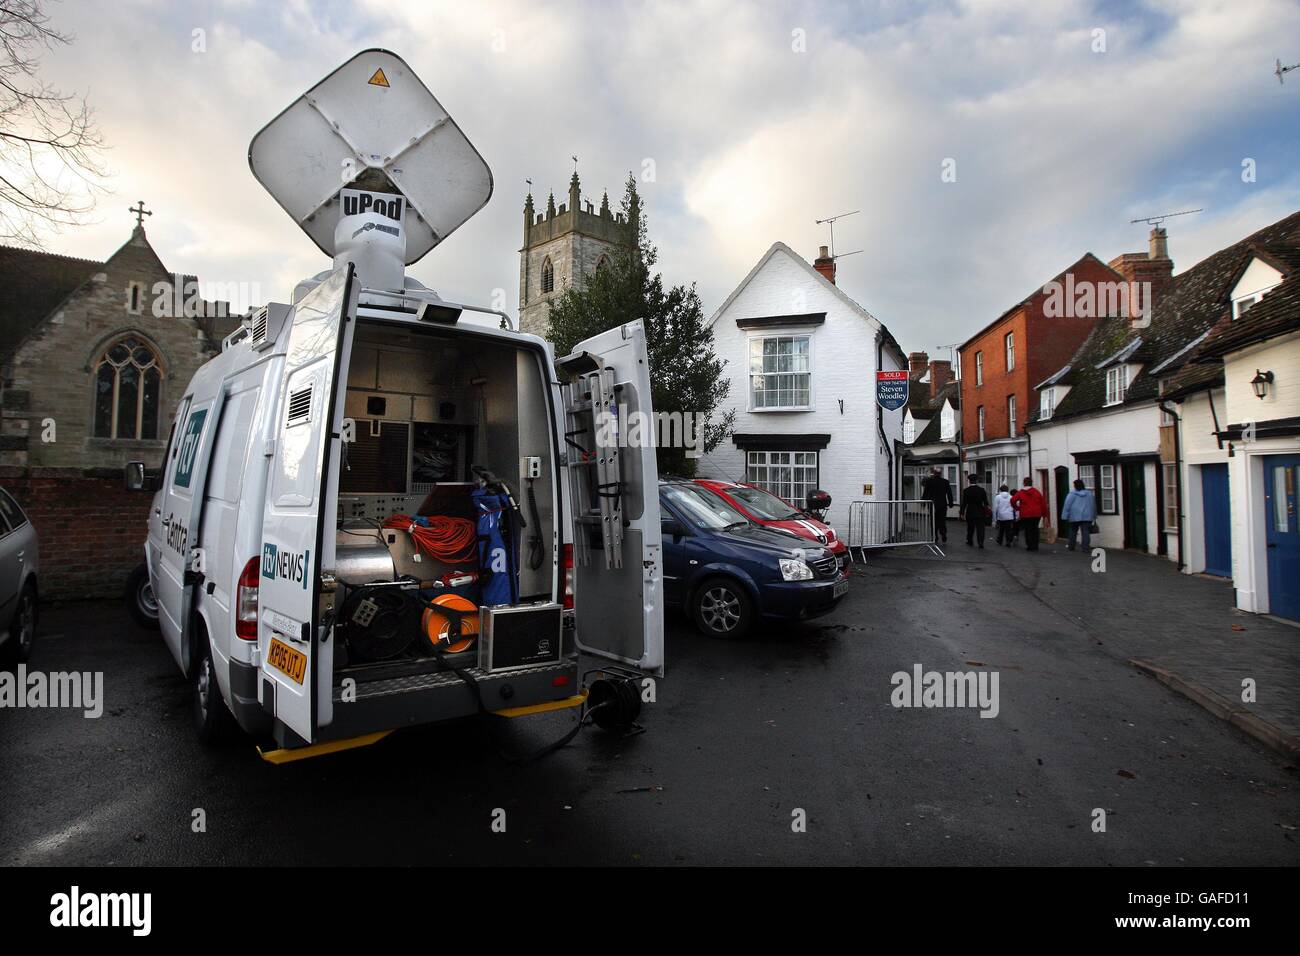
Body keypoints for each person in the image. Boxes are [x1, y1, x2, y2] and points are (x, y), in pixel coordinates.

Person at [1060, 478, 1097, 552]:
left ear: (1075, 486)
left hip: (1074, 516)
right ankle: (1085, 548)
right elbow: (1093, 505)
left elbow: (1067, 505)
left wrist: (1064, 516)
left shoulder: (1071, 495)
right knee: (1085, 532)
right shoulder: (1089, 494)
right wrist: (1094, 515)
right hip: (1087, 516)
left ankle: (1071, 546)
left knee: (1073, 531)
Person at [1011, 476, 1047, 551]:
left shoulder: (1020, 492)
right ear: (1031, 483)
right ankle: (1035, 545)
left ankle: (1030, 545)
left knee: (1028, 529)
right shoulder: (1036, 492)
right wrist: (1044, 514)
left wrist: (1017, 508)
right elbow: (1043, 503)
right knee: (1035, 529)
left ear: (1024, 483)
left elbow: (1013, 500)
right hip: (1037, 513)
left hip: (1025, 513)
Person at [920, 467, 954, 543]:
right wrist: (951, 503)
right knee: (942, 520)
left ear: (934, 473)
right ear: (940, 474)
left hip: (932, 504)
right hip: (942, 504)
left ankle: (934, 537)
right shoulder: (945, 482)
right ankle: (943, 534)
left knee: (933, 521)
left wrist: (923, 503)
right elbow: (949, 493)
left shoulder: (929, 481)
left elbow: (925, 493)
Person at [959, 474, 990, 548]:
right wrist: (987, 510)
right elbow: (985, 502)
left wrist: (962, 513)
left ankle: (970, 540)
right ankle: (980, 542)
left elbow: (964, 503)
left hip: (970, 511)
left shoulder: (966, 491)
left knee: (970, 527)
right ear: (976, 480)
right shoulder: (981, 490)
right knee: (981, 528)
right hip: (980, 511)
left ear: (969, 481)